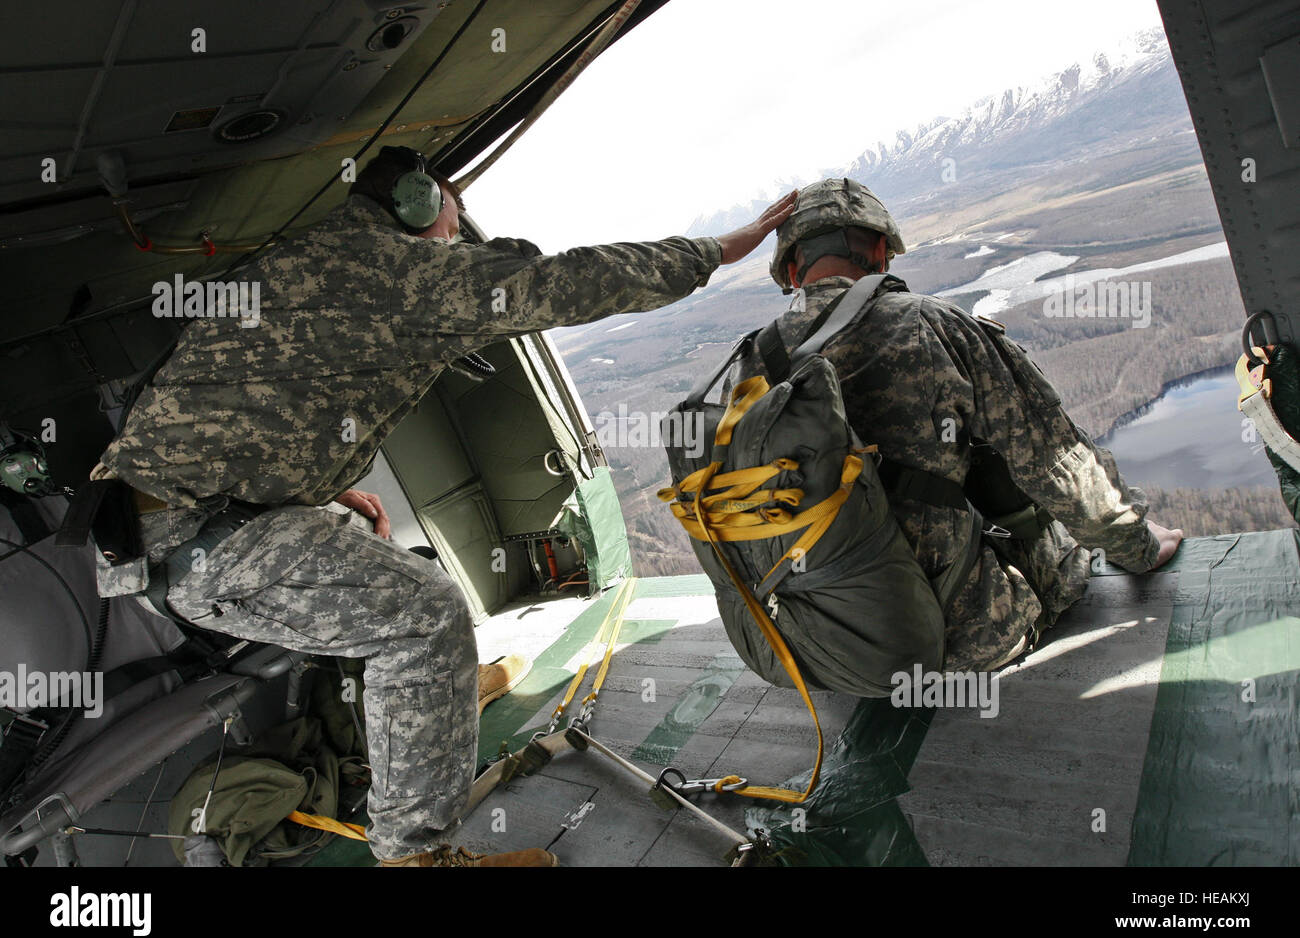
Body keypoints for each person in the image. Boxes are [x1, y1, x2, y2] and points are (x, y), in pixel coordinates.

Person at [89, 145, 797, 866]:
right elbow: (570, 282)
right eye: (453, 221)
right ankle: (417, 856)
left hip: (178, 520)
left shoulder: (317, 257)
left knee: (380, 566)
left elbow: (250, 392)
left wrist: (320, 487)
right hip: (192, 540)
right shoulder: (398, 270)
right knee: (422, 616)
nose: (457, 238)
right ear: (420, 203)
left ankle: (437, 707)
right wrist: (716, 248)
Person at [764, 178, 1182, 671]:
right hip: (959, 640)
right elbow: (1055, 462)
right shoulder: (929, 325)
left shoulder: (752, 366)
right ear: (880, 249)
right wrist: (1137, 545)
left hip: (821, 650)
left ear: (792, 270)